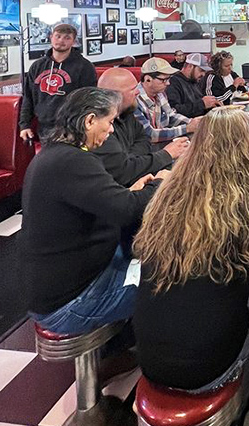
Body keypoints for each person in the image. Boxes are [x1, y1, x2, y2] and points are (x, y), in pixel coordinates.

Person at [133, 109, 249, 426]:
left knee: (235, 282)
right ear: (243, 144)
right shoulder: (245, 195)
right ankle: (242, 399)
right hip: (209, 367)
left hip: (150, 358)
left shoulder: (169, 191)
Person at [21, 87, 160, 334]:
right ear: (89, 120)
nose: (111, 129)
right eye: (108, 122)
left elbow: (109, 202)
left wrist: (132, 193)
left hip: (68, 283)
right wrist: (162, 183)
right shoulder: (73, 162)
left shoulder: (58, 155)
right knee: (177, 279)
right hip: (70, 303)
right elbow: (127, 211)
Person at [95, 68, 190, 186]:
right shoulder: (99, 126)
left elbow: (145, 138)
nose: (138, 92)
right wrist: (166, 154)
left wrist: (131, 160)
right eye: (133, 89)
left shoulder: (127, 112)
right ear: (115, 95)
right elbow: (123, 173)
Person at [19, 22, 97, 143]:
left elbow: (89, 101)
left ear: (74, 41)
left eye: (67, 38)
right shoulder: (37, 66)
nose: (61, 40)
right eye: (58, 36)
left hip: (72, 129)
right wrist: (24, 125)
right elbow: (28, 97)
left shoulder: (85, 67)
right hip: (44, 128)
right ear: (51, 37)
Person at [135, 57, 203, 143]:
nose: (168, 83)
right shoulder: (135, 100)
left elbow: (170, 116)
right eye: (164, 79)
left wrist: (193, 123)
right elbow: (149, 135)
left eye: (169, 79)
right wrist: (187, 128)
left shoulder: (160, 94)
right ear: (148, 79)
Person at [167, 53, 218, 117]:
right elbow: (173, 111)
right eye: (201, 70)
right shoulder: (173, 82)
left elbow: (198, 105)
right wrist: (202, 104)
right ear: (190, 66)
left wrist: (211, 105)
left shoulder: (194, 81)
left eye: (205, 71)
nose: (203, 74)